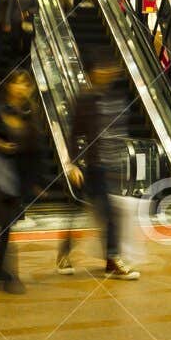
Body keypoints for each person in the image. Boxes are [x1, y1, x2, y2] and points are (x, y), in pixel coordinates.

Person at [61, 59, 141, 280]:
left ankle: (73, 254)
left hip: (112, 166)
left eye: (110, 68)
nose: (108, 72)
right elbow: (75, 134)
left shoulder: (115, 97)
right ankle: (112, 260)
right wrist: (74, 163)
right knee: (104, 213)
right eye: (103, 68)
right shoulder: (86, 100)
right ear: (92, 72)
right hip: (95, 167)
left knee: (88, 213)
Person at [0, 71, 42, 293]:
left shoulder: (30, 112)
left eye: (26, 84)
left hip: (18, 176)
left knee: (5, 226)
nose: (21, 88)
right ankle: (9, 275)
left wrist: (36, 180)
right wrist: (0, 145)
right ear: (8, 85)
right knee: (5, 222)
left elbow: (36, 147)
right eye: (17, 83)